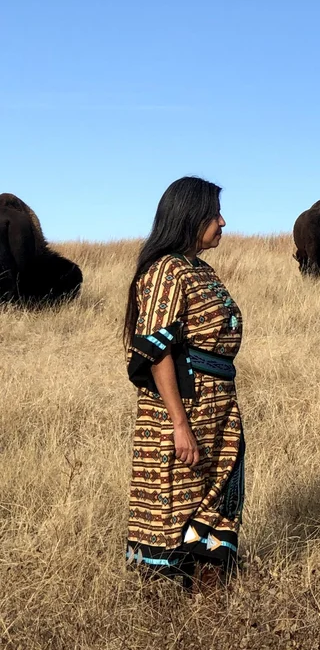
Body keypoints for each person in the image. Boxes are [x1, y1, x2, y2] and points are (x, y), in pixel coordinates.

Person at [122, 176, 245, 594]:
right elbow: (157, 352)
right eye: (214, 215)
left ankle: (209, 606)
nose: (222, 222)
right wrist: (179, 424)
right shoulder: (166, 271)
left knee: (214, 497)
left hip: (218, 407)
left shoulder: (200, 270)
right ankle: (164, 607)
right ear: (189, 217)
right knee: (176, 500)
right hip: (182, 410)